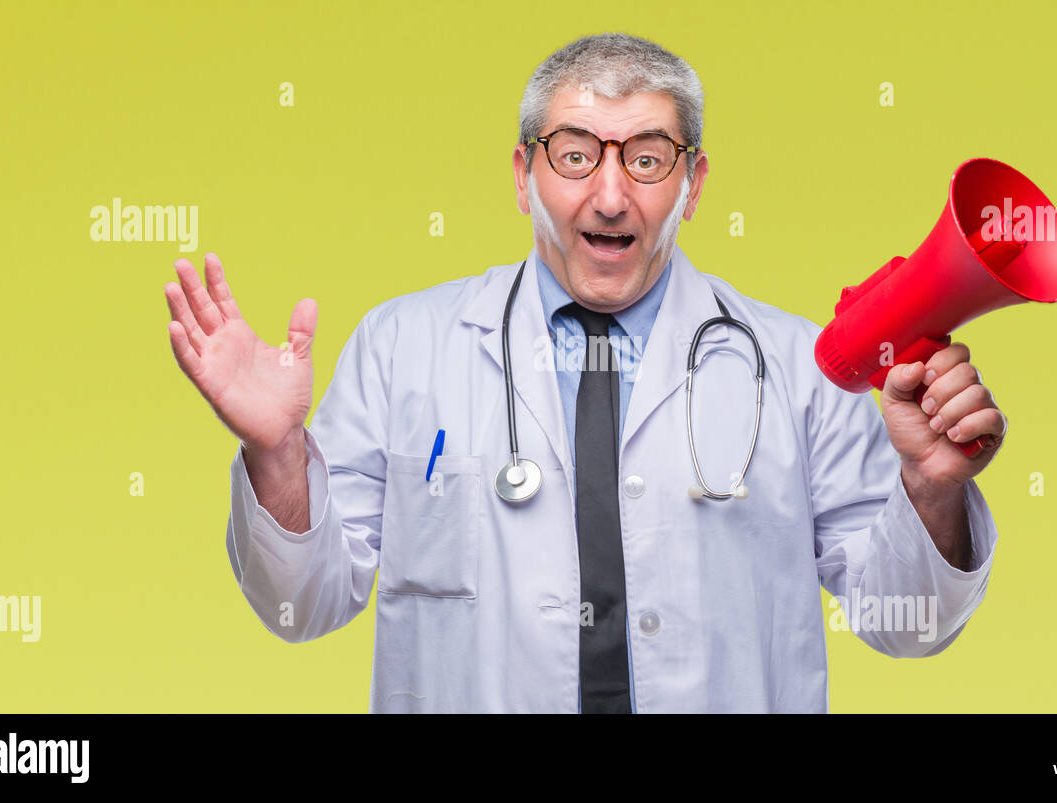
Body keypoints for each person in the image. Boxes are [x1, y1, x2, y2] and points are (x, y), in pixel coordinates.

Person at [163, 33, 1007, 713]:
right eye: (574, 156)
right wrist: (277, 455)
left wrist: (931, 489)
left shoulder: (793, 365)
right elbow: (302, 605)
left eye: (647, 158)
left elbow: (912, 624)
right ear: (524, 176)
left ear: (694, 183)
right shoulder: (404, 345)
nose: (610, 196)